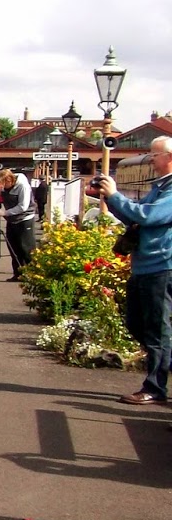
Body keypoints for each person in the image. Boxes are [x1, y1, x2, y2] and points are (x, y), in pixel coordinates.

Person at [98, 137, 172, 405]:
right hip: (145, 265)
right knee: (136, 323)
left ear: (170, 157)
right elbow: (136, 216)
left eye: (155, 154)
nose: (151, 159)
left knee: (156, 329)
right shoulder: (160, 187)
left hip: (162, 265)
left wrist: (116, 195)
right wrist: (112, 199)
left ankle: (155, 387)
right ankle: (163, 365)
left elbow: (149, 216)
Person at [0, 167, 36, 281]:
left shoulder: (22, 186)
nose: (3, 187)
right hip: (11, 220)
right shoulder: (5, 186)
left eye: (4, 184)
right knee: (13, 248)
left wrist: (6, 212)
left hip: (25, 219)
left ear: (9, 180)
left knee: (26, 248)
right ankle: (18, 274)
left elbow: (23, 206)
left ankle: (32, 275)